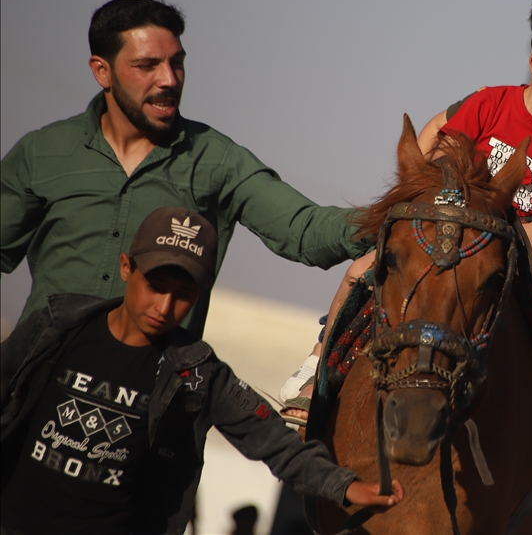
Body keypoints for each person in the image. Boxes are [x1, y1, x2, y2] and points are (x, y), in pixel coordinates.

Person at [289, 0, 532, 432]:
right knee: (361, 269)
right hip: (466, 229)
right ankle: (318, 365)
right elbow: (442, 158)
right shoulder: (489, 103)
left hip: (530, 240)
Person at [0, 207, 403, 535]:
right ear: (126, 267)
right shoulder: (56, 329)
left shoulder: (198, 374)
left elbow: (273, 441)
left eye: (183, 294)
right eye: (156, 285)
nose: (164, 307)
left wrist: (346, 486)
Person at [0, 0, 370, 336]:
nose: (169, 79)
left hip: (150, 384)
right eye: (147, 66)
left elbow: (304, 230)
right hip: (37, 376)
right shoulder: (42, 152)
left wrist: (398, 212)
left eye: (176, 63)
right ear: (102, 71)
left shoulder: (217, 160)